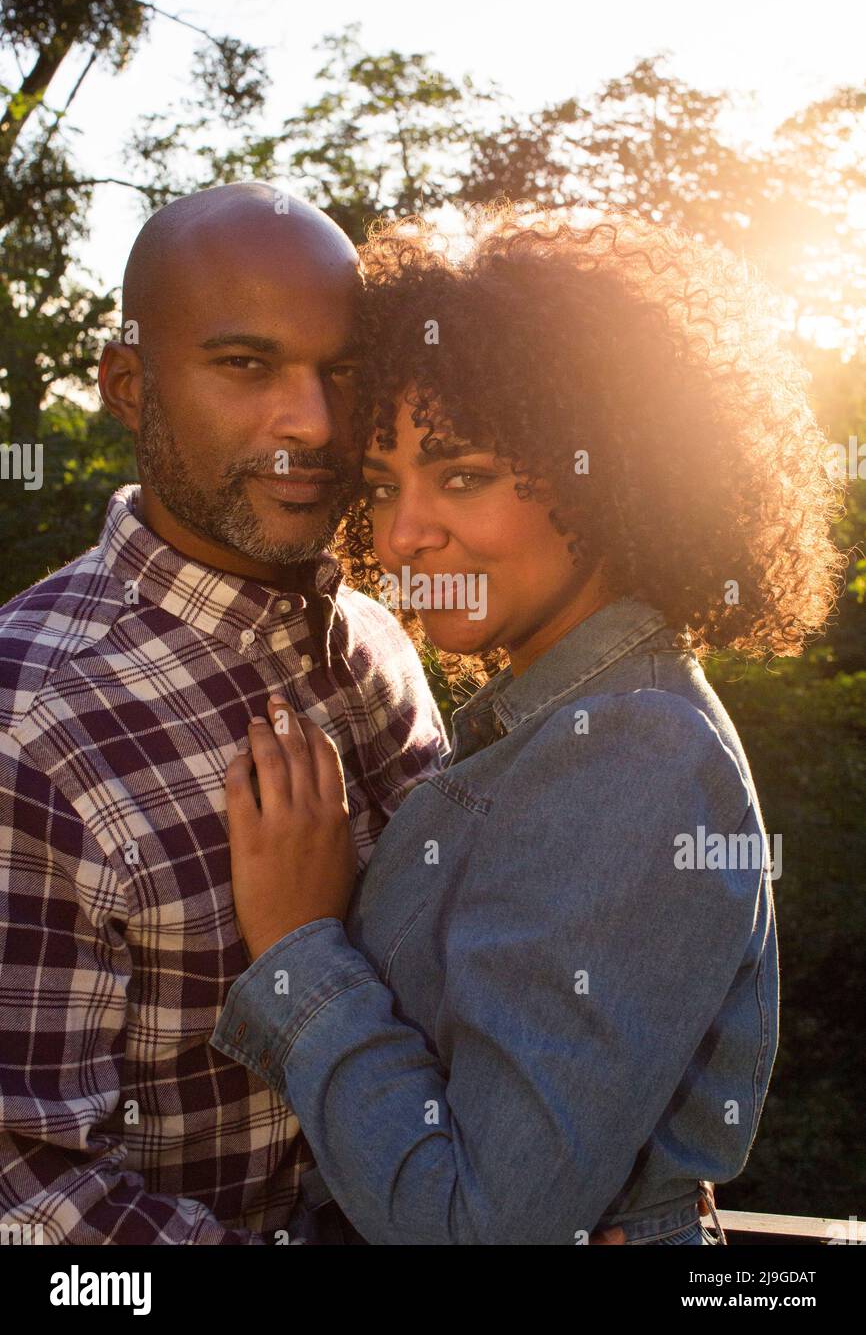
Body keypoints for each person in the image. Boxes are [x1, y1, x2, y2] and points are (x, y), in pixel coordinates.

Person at [211, 208, 843, 1245]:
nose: (406, 533)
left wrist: (295, 945)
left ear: (613, 469)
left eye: (461, 476)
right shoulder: (546, 723)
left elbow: (477, 1225)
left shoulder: (635, 754)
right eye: (382, 487)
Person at [0, 184, 447, 1243]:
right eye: (246, 365)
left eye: (340, 370)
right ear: (126, 384)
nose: (314, 422)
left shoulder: (384, 648)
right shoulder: (34, 728)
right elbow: (27, 1200)